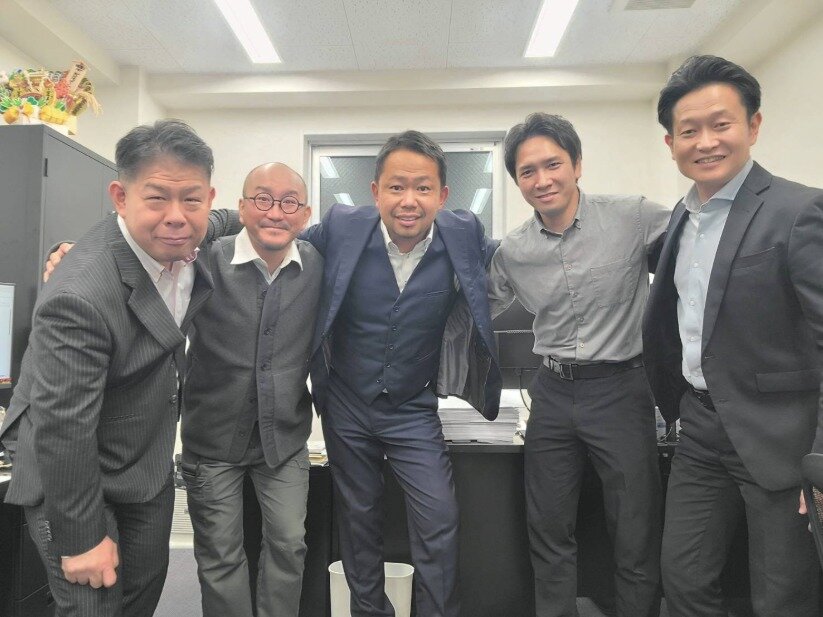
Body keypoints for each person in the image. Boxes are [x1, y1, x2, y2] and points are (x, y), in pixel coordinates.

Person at [0, 119, 217, 617]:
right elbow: (62, 425)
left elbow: (226, 218)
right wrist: (81, 538)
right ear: (120, 197)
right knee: (92, 606)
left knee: (142, 595)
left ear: (208, 198)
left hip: (143, 461)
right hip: (70, 470)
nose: (176, 216)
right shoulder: (79, 294)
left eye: (192, 199)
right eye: (156, 198)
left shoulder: (190, 235)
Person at [643, 55, 823, 616]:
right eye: (688, 131)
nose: (705, 142)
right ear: (670, 142)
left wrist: (821, 460)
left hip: (782, 438)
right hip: (700, 427)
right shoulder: (680, 217)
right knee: (684, 578)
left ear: (753, 125)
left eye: (721, 124)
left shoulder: (799, 210)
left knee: (782, 595)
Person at [303, 130, 501, 617]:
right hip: (347, 403)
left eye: (422, 187)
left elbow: (519, 255)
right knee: (358, 520)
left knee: (439, 517)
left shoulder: (464, 233)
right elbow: (278, 234)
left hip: (414, 405)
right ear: (375, 191)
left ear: (442, 195)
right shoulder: (342, 226)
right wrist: (211, 227)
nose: (409, 200)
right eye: (396, 187)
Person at [487, 112, 670, 617]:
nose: (542, 180)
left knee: (634, 527)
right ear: (517, 181)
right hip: (552, 392)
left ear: (577, 165)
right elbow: (474, 309)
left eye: (553, 164)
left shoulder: (633, 216)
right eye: (528, 171)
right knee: (548, 526)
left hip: (623, 388)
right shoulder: (513, 251)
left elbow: (700, 248)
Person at [180, 163, 322, 617]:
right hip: (211, 438)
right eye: (262, 199)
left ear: (305, 215)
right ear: (241, 208)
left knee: (289, 543)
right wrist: (68, 250)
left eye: (289, 202)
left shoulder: (317, 265)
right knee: (220, 554)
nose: (275, 212)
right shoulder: (204, 260)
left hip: (284, 439)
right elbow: (145, 239)